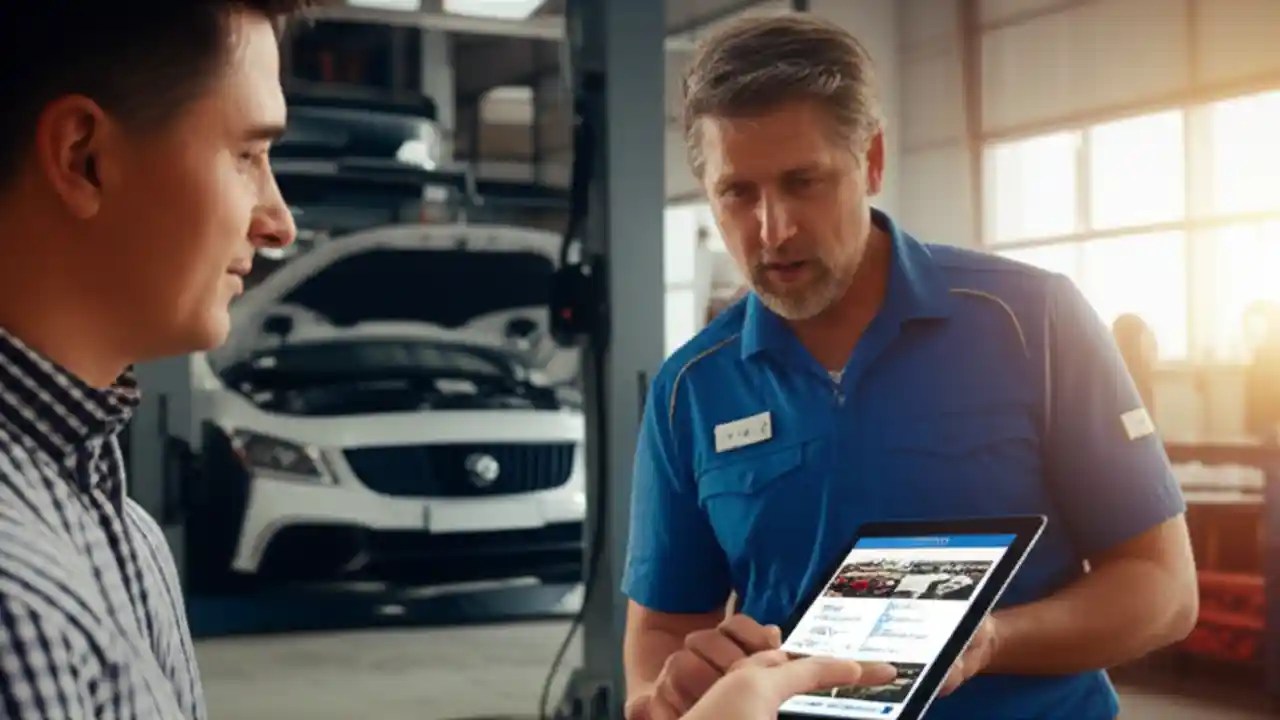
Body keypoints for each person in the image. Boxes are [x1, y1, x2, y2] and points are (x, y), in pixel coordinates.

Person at [622, 13, 1199, 720]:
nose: (773, 230)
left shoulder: (1032, 321)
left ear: (871, 160)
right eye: (738, 194)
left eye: (804, 182)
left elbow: (1163, 589)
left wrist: (992, 640)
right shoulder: (693, 389)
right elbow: (661, 627)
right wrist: (666, 691)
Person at [0, 2, 309, 717]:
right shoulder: (19, 605)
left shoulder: (120, 528)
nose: (278, 223)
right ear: (85, 157)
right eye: (247, 156)